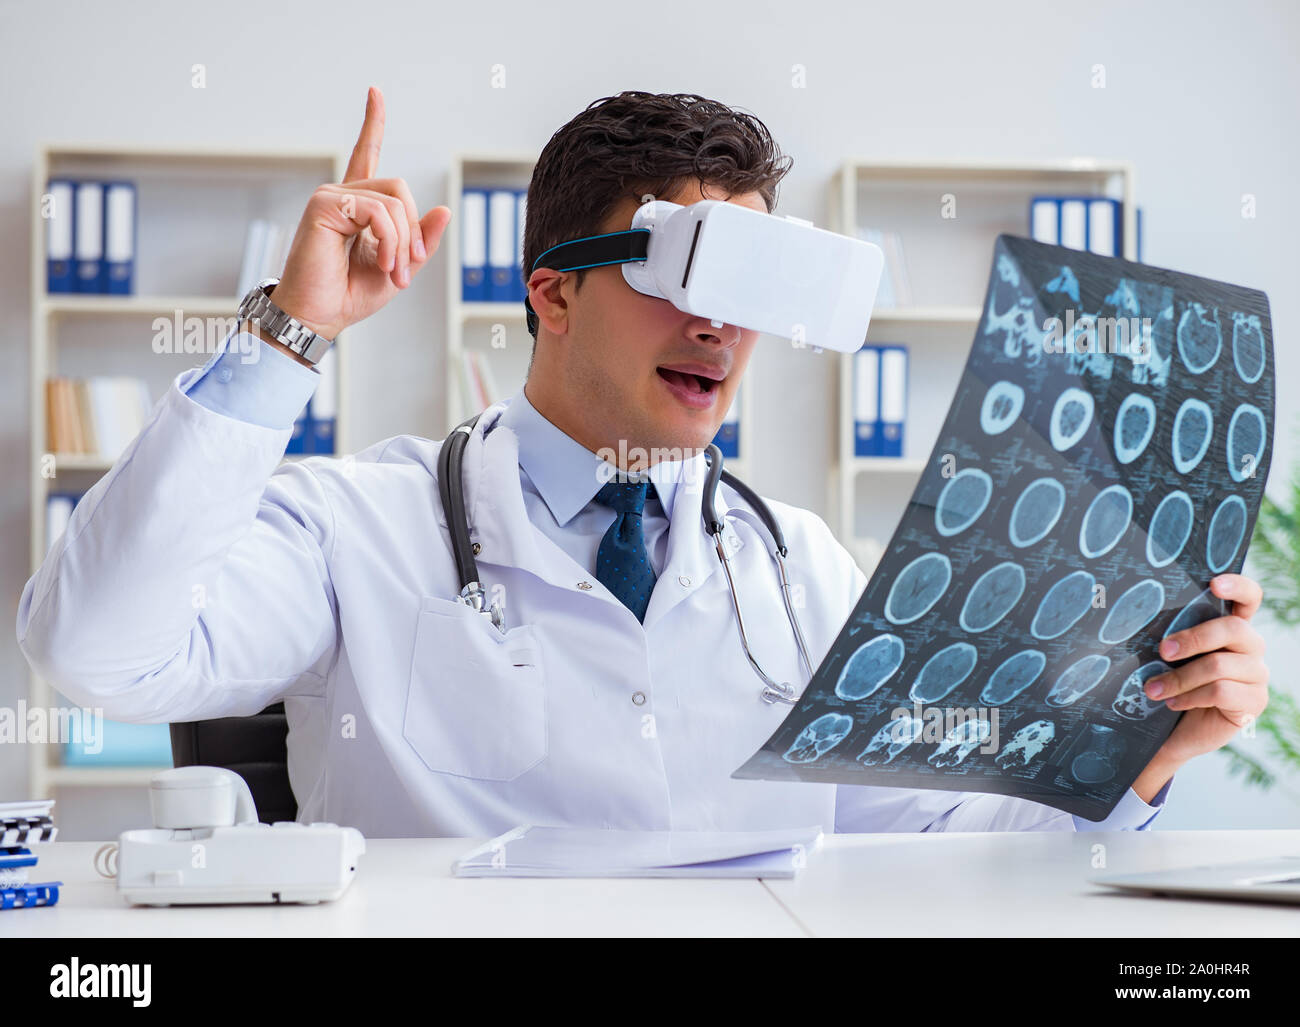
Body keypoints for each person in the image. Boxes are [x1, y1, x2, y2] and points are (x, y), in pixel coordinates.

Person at [16, 87, 1269, 837]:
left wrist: (1144, 748)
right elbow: (96, 652)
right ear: (554, 293)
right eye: (688, 279)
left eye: (754, 287)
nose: (722, 327)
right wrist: (285, 340)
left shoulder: (802, 566)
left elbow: (935, 837)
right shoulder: (355, 525)